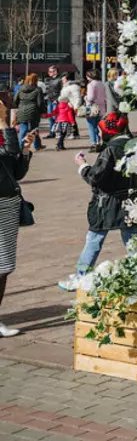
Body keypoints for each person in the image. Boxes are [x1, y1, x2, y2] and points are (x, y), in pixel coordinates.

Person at [58, 113, 137, 291]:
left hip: (107, 203)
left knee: (94, 238)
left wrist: (82, 165)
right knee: (132, 238)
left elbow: (96, 177)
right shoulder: (135, 145)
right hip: (131, 201)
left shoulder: (110, 149)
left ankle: (81, 276)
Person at [0, 109, 35, 337]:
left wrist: (25, 148)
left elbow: (17, 173)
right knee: (2, 266)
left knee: (4, 267)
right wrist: (4, 124)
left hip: (8, 205)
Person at [14, 75, 44, 151]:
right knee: (34, 129)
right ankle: (37, 145)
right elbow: (40, 103)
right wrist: (42, 111)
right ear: (36, 80)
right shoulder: (38, 89)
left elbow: (15, 100)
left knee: (23, 130)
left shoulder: (20, 88)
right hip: (34, 112)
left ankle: (20, 147)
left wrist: (20, 106)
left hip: (22, 111)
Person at [83, 70, 107, 150]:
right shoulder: (101, 84)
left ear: (90, 76)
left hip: (93, 108)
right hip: (102, 107)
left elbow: (90, 98)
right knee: (98, 126)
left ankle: (93, 143)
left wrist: (85, 97)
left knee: (91, 126)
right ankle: (99, 141)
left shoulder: (91, 84)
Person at [43, 65, 62, 136]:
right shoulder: (49, 80)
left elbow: (62, 91)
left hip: (56, 101)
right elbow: (48, 90)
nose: (49, 73)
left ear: (55, 71)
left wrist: (57, 100)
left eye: (51, 71)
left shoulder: (59, 80)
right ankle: (52, 133)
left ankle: (58, 132)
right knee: (50, 117)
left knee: (55, 117)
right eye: (49, 71)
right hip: (49, 100)